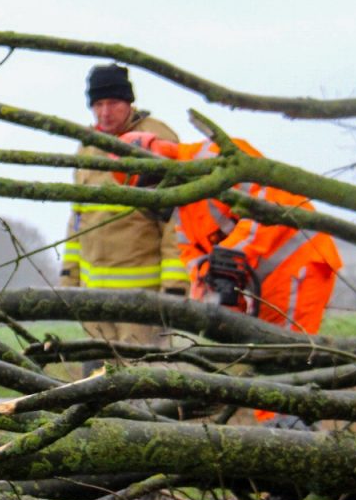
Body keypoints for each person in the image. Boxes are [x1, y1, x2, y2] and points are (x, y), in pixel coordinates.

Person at [127, 131, 344, 421]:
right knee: (267, 366)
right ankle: (282, 438)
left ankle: (289, 441)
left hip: (297, 264)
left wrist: (228, 255)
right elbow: (191, 255)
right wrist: (207, 290)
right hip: (262, 284)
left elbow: (265, 202)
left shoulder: (216, 157)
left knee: (286, 363)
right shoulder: (183, 212)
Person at [59, 64, 187, 358]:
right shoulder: (87, 148)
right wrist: (69, 279)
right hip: (94, 299)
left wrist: (175, 287)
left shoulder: (156, 142)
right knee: (97, 384)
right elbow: (78, 219)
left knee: (143, 385)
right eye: (98, 104)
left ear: (129, 102)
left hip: (143, 300)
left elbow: (178, 222)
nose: (105, 112)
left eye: (113, 103)